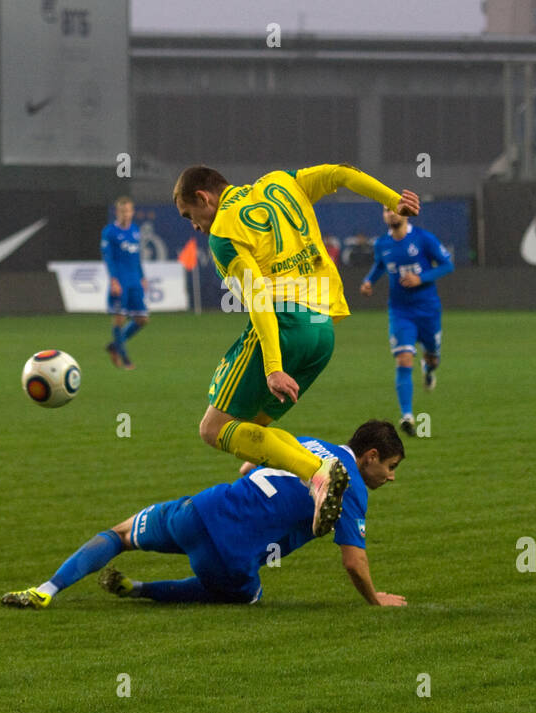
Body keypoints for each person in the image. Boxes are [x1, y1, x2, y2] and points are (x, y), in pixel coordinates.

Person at [174, 163, 420, 536]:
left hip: (286, 328)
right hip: (323, 333)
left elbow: (258, 298)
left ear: (202, 198)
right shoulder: (280, 181)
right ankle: (276, 463)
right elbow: (342, 173)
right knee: (250, 427)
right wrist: (392, 199)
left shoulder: (223, 233)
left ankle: (318, 473)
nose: (194, 225)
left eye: (189, 215)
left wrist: (273, 365)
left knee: (213, 429)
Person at [0, 420, 407, 608]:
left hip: (200, 510)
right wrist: (375, 599)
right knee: (245, 594)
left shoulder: (311, 445)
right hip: (229, 555)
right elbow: (354, 561)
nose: (389, 478)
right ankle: (141, 589)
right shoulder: (348, 484)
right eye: (389, 467)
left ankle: (46, 590)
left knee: (120, 534)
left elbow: (249, 464)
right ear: (369, 456)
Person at [360, 206, 453, 436]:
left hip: (428, 310)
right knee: (403, 359)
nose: (391, 213)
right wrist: (369, 281)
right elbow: (380, 265)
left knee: (432, 357)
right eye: (385, 209)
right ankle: (408, 416)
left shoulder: (423, 239)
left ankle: (429, 369)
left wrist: (420, 278)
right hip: (400, 311)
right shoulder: (382, 244)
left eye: (395, 209)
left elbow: (447, 264)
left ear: (406, 214)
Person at [100, 196, 148, 369]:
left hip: (135, 279)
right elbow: (109, 258)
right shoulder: (109, 232)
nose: (126, 214)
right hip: (120, 280)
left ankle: (114, 346)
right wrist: (113, 280)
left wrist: (142, 277)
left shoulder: (135, 230)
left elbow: (137, 257)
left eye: (128, 211)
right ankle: (125, 357)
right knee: (119, 319)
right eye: (122, 211)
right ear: (117, 212)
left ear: (132, 212)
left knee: (142, 319)